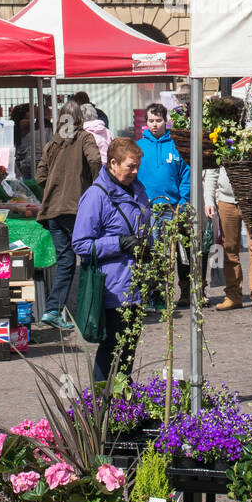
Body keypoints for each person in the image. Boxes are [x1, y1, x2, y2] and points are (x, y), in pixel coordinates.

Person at [71, 138, 151, 380]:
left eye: (138, 166)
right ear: (113, 164)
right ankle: (100, 408)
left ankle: (123, 408)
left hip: (135, 285)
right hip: (112, 288)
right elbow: (81, 244)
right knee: (111, 350)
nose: (135, 172)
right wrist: (119, 243)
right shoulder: (96, 196)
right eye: (131, 166)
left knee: (128, 351)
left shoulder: (137, 189)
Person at [35, 102, 101, 330]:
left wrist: (54, 187)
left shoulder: (53, 143)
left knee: (65, 260)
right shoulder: (85, 138)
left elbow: (39, 175)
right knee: (90, 257)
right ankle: (89, 310)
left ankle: (53, 310)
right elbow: (94, 160)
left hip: (53, 210)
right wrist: (95, 186)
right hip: (76, 210)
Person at [203, 99, 252, 314]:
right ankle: (233, 294)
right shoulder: (218, 134)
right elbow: (212, 169)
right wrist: (209, 200)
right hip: (226, 200)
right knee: (229, 249)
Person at [137, 102, 192, 307]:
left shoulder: (176, 146)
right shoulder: (139, 147)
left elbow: (186, 175)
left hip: (173, 208)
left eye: (158, 120)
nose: (154, 125)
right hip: (148, 209)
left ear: (165, 121)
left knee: (173, 254)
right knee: (152, 253)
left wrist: (183, 203)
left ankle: (174, 293)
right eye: (151, 120)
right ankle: (154, 295)